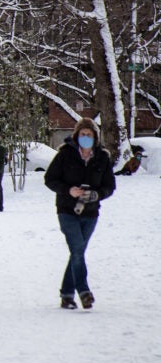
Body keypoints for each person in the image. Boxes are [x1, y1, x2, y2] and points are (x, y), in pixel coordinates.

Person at [44, 118, 116, 310]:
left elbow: (110, 186)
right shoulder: (65, 154)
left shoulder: (102, 157)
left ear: (95, 137)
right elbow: (50, 179)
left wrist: (97, 194)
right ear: (77, 136)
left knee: (78, 252)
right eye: (82, 134)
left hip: (90, 212)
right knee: (77, 249)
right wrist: (68, 190)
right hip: (67, 210)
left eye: (89, 135)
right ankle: (84, 291)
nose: (86, 138)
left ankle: (67, 295)